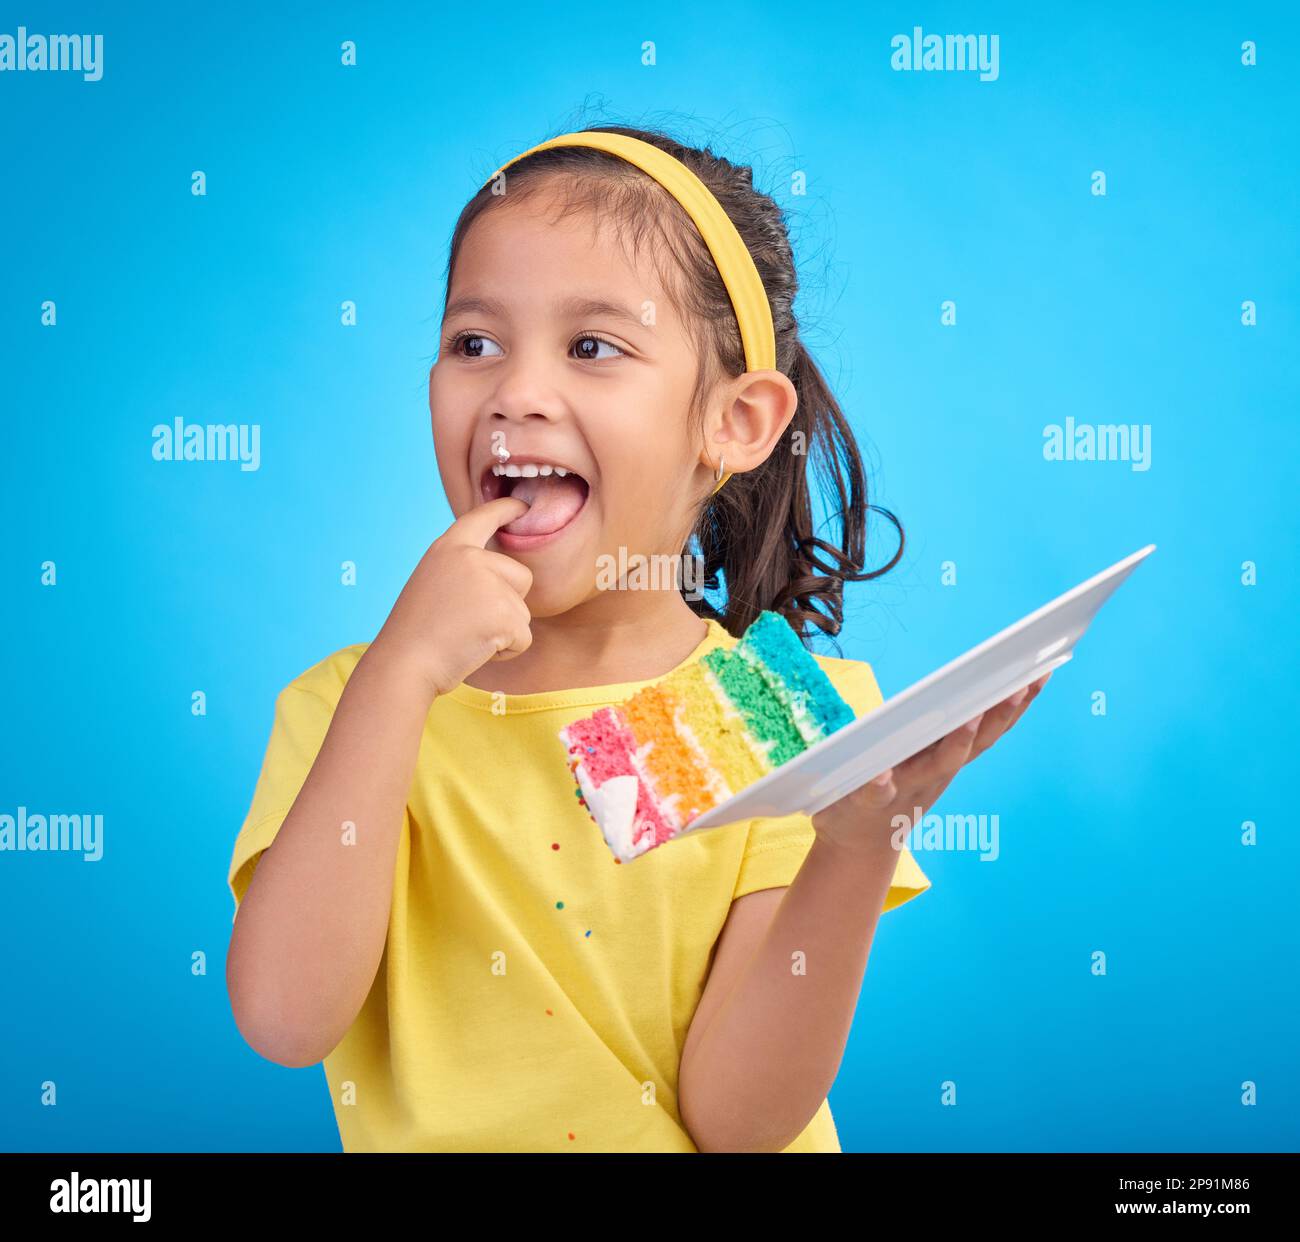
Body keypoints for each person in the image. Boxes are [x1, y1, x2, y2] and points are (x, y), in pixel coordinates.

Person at [225, 124, 1047, 1152]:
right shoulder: (352, 705)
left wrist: (855, 847)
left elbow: (738, 1122)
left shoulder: (774, 712)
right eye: (474, 343)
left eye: (591, 347)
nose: (515, 394)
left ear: (736, 424)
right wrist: (398, 680)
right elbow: (285, 1020)